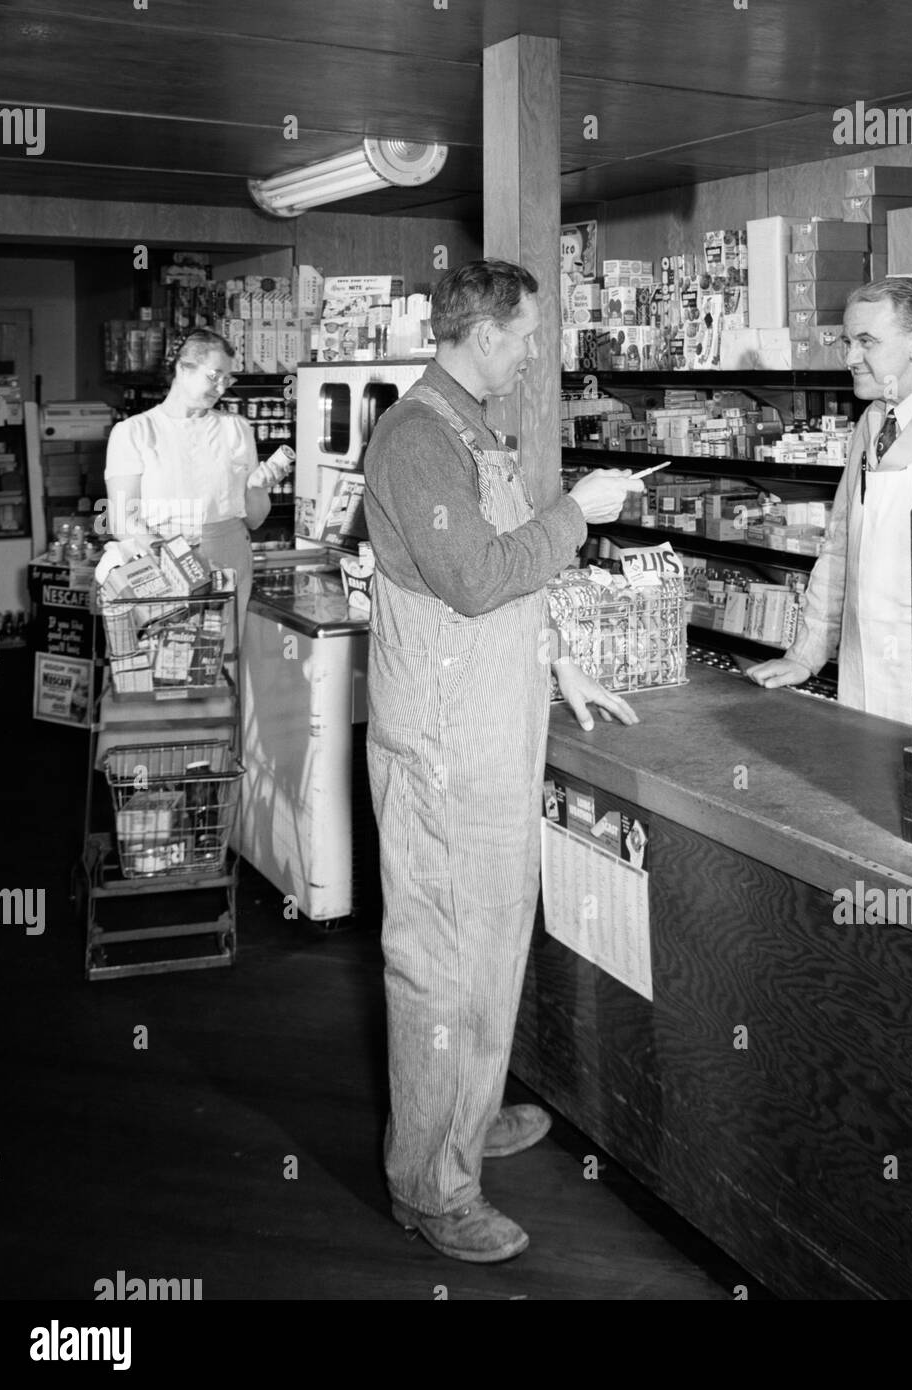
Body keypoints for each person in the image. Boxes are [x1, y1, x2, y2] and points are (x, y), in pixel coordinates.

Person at [362, 258, 643, 1264]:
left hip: (488, 732)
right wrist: (583, 512)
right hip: (440, 746)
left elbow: (501, 565)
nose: (535, 352)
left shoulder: (472, 425)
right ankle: (429, 1185)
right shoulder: (414, 438)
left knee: (488, 946)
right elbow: (477, 578)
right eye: (526, 334)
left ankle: (464, 1124)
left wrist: (558, 660)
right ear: (483, 334)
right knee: (437, 967)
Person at [747, 277, 912, 724]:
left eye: (866, 342)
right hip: (862, 669)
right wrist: (805, 655)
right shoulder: (872, 422)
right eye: (848, 342)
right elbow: (839, 546)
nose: (851, 357)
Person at [103, 327, 289, 638]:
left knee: (221, 660)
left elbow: (255, 519)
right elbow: (123, 518)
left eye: (227, 379)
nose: (221, 387)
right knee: (167, 662)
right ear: (182, 368)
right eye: (214, 376)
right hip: (161, 562)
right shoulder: (134, 431)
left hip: (228, 560)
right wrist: (171, 559)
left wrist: (257, 487)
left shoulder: (236, 429)